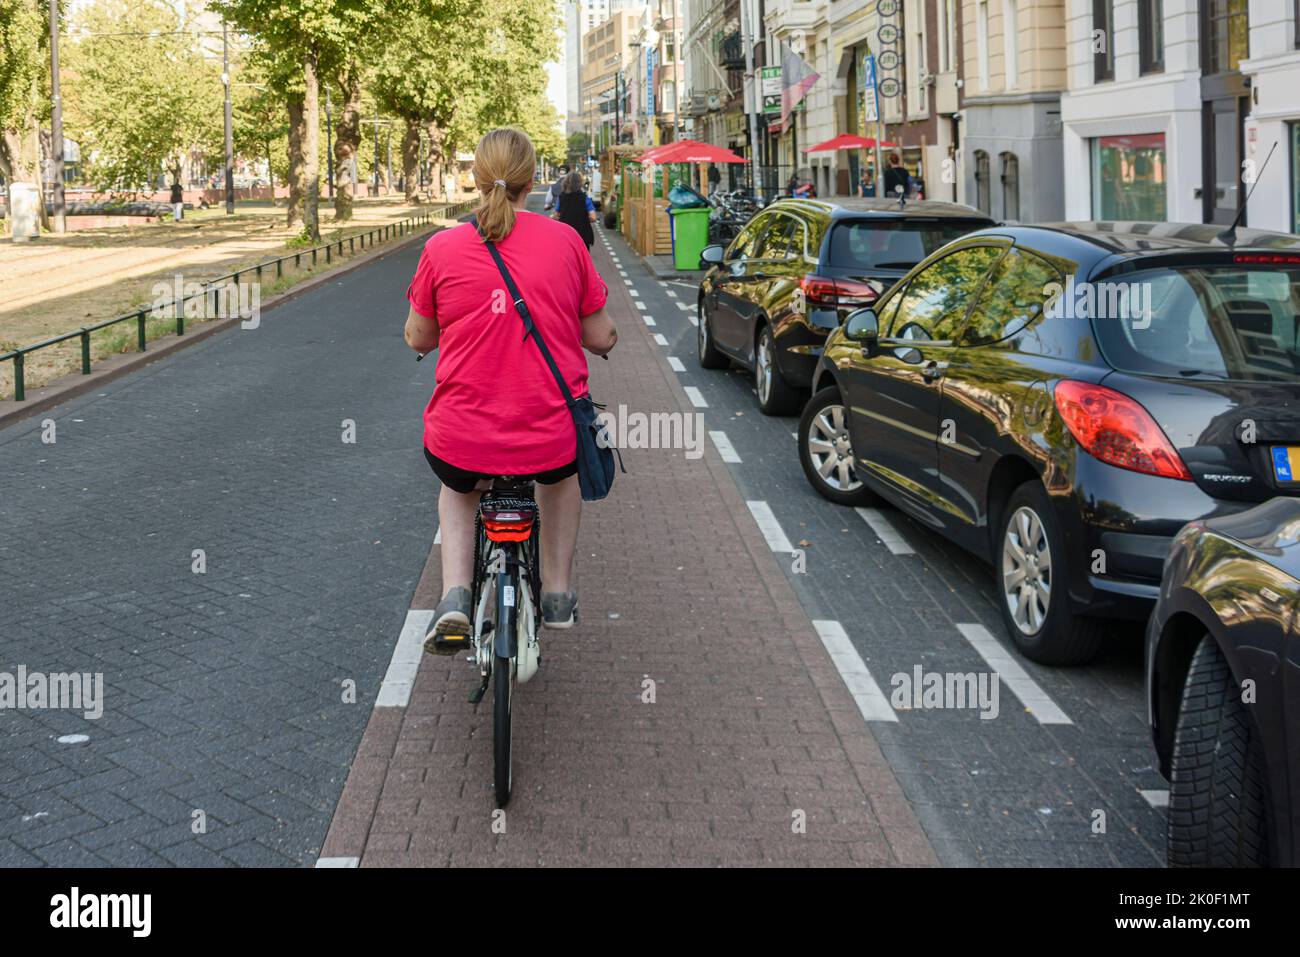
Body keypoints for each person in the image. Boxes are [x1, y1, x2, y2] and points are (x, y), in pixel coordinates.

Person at [404, 128, 617, 645]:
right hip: (551, 437)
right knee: (561, 480)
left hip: (462, 438)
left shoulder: (442, 247)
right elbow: (600, 333)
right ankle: (557, 593)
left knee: (458, 489)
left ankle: (454, 594)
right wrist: (601, 341)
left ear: (476, 180)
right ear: (530, 181)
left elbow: (418, 335)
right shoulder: (565, 241)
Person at [554, 171, 596, 249]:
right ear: (580, 183)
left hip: (566, 234)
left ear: (566, 182)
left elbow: (555, 216)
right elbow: (593, 217)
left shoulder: (561, 197)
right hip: (583, 234)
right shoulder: (584, 198)